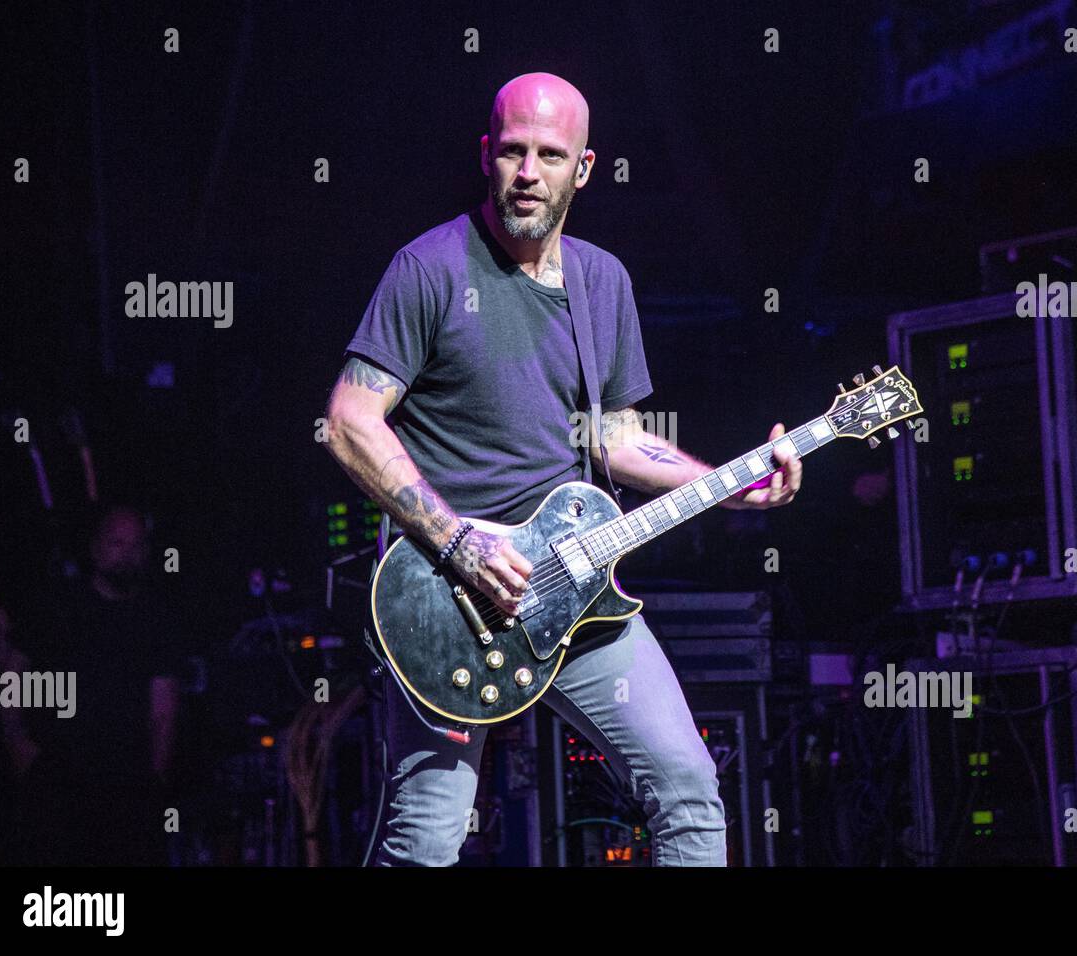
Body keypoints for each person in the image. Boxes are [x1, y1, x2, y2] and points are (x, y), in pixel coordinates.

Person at [325, 72, 801, 866]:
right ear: (486, 154)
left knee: (689, 790)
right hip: (450, 604)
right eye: (512, 150)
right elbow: (348, 419)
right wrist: (458, 544)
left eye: (551, 155)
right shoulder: (430, 268)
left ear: (583, 168)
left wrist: (728, 484)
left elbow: (615, 437)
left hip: (575, 587)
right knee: (426, 840)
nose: (527, 172)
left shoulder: (601, 281)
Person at [8, 504, 182, 865]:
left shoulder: (155, 617)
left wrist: (155, 780)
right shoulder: (57, 607)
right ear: (96, 547)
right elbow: (10, 671)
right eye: (117, 544)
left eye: (135, 546)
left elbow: (164, 708)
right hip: (58, 778)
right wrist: (17, 741)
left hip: (127, 782)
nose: (126, 555)